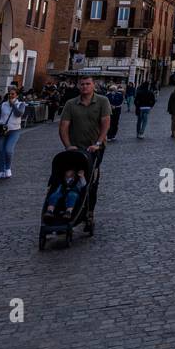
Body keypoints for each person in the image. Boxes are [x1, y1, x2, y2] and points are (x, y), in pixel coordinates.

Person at [57, 76, 111, 232]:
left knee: (92, 182)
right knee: (68, 179)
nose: (85, 87)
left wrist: (98, 143)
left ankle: (89, 213)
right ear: (78, 86)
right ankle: (66, 209)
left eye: (88, 84)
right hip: (75, 149)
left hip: (94, 149)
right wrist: (67, 145)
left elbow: (105, 124)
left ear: (94, 85)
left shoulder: (102, 101)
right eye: (82, 84)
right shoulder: (71, 104)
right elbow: (64, 127)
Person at [0, 87, 26, 179]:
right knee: (0, 151)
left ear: (17, 95)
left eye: (13, 94)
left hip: (14, 130)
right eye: (9, 94)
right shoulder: (3, 104)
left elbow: (19, 114)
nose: (10, 95)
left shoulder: (21, 104)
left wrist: (13, 105)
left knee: (8, 150)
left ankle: (8, 168)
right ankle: (1, 171)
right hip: (1, 129)